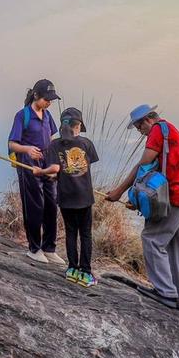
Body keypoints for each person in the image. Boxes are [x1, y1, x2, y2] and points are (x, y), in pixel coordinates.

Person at [105, 104, 179, 314]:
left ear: (148, 120)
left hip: (175, 195)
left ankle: (165, 292)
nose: (140, 131)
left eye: (140, 127)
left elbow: (143, 165)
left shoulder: (157, 130)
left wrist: (120, 190)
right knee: (177, 247)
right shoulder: (170, 130)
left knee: (152, 239)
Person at [39, 107, 100, 286]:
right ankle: (86, 273)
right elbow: (88, 165)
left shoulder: (54, 145)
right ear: (78, 125)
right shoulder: (86, 144)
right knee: (86, 234)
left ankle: (72, 269)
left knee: (71, 232)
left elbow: (54, 172)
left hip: (66, 197)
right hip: (85, 196)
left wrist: (40, 172)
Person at [8, 79, 61, 264]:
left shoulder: (47, 116)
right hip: (29, 166)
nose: (49, 102)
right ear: (36, 96)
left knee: (51, 205)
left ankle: (49, 247)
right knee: (34, 206)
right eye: (47, 98)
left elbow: (52, 138)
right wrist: (27, 149)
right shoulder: (22, 115)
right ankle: (34, 248)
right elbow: (12, 143)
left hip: (47, 164)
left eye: (51, 99)